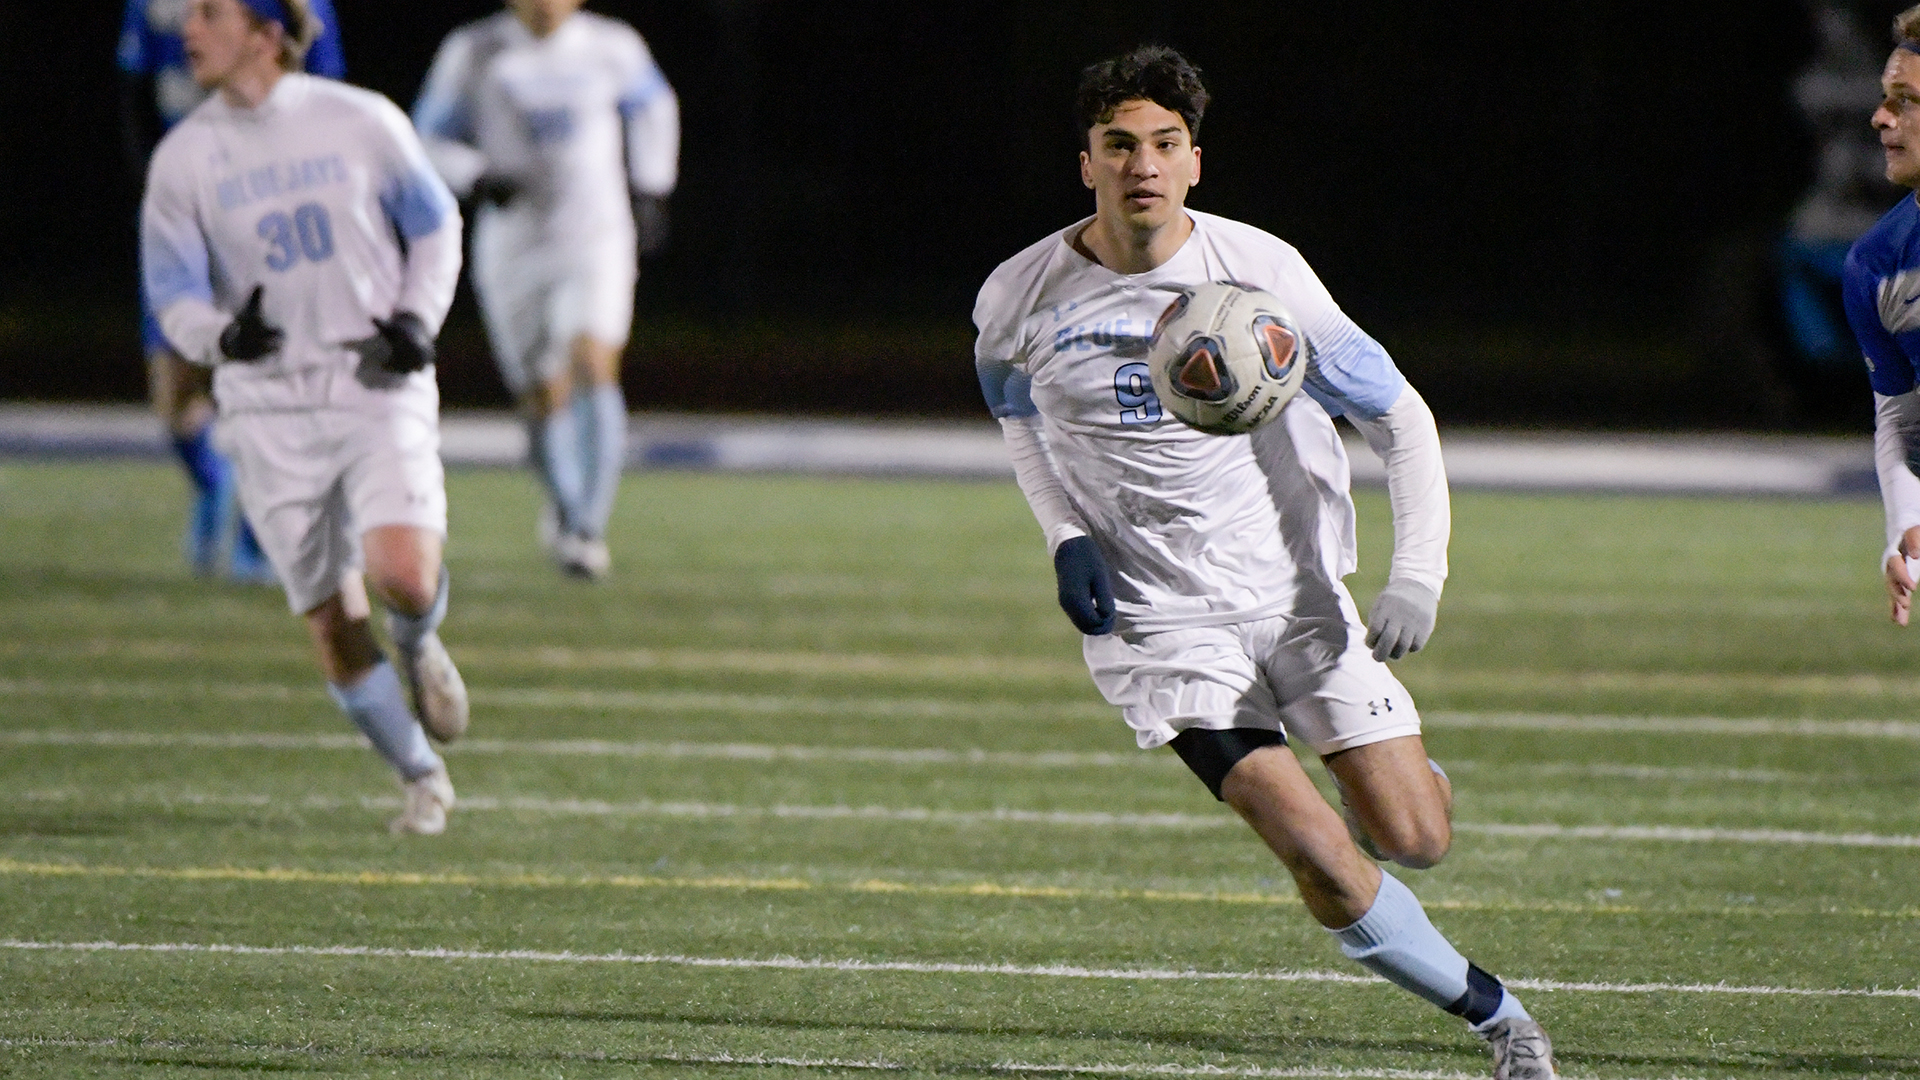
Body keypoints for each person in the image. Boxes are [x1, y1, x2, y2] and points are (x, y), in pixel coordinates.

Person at [971, 47, 1559, 1079]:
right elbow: (1019, 422)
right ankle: (1500, 1019)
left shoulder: (1265, 276)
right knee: (1314, 849)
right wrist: (1065, 536)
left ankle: (1403, 785)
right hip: (1163, 627)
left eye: (1162, 145)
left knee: (1411, 838)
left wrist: (1418, 573)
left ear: (1195, 160)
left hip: (1297, 599)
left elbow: (1400, 417)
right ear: (1087, 164)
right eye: (1119, 146)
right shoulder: (1017, 297)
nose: (1141, 166)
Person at [142, 0, 470, 834]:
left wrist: (415, 320)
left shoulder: (359, 120)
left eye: (211, 11)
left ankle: (421, 639)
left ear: (266, 31)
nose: (188, 26)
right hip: (267, 408)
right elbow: (172, 293)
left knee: (404, 576)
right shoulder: (182, 157)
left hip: (372, 382)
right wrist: (222, 337)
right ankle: (421, 775)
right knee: (331, 621)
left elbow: (436, 229)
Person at [412, 0, 680, 579]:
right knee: (541, 396)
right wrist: (476, 176)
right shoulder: (474, 50)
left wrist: (652, 186)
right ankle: (564, 505)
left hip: (595, 238)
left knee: (592, 362)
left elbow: (655, 106)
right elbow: (426, 136)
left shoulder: (612, 46)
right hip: (514, 247)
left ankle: (587, 525)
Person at [119, 0, 345, 581]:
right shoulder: (153, 6)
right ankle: (217, 485)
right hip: (184, 211)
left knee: (273, 380)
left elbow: (326, 103)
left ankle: (257, 532)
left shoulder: (297, 6)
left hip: (266, 213)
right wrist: (158, 184)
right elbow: (134, 95)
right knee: (172, 386)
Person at [1847, 4, 1920, 629]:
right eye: (1883, 98)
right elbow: (1899, 411)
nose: (1880, 117)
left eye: (1905, 100)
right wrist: (1905, 531)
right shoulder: (1876, 267)